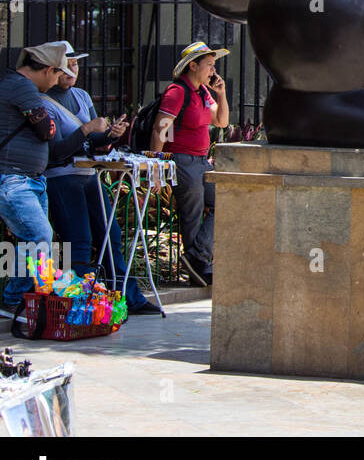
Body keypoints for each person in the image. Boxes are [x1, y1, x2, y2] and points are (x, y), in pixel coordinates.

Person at [42, 44, 158, 315]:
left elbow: (94, 142)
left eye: (76, 63)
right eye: (66, 64)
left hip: (90, 174)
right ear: (52, 69)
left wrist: (111, 135)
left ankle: (126, 297)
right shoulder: (43, 100)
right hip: (62, 176)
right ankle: (82, 305)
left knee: (111, 236)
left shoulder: (81, 96)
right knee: (79, 241)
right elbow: (55, 150)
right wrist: (86, 129)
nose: (73, 69)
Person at [0, 44, 62, 320]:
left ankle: (25, 301)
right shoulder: (22, 87)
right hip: (11, 179)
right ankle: (16, 300)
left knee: (32, 241)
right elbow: (47, 130)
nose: (56, 82)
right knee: (40, 237)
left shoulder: (20, 87)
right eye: (57, 75)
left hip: (27, 180)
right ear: (49, 69)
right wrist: (48, 119)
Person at [150, 42, 230, 287]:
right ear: (192, 65)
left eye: (213, 66)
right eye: (208, 65)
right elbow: (160, 129)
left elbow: (222, 122)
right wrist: (155, 170)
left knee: (226, 203)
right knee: (192, 214)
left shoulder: (203, 92)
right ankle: (200, 269)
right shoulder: (177, 91)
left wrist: (221, 94)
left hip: (201, 160)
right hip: (182, 160)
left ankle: (197, 258)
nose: (212, 71)